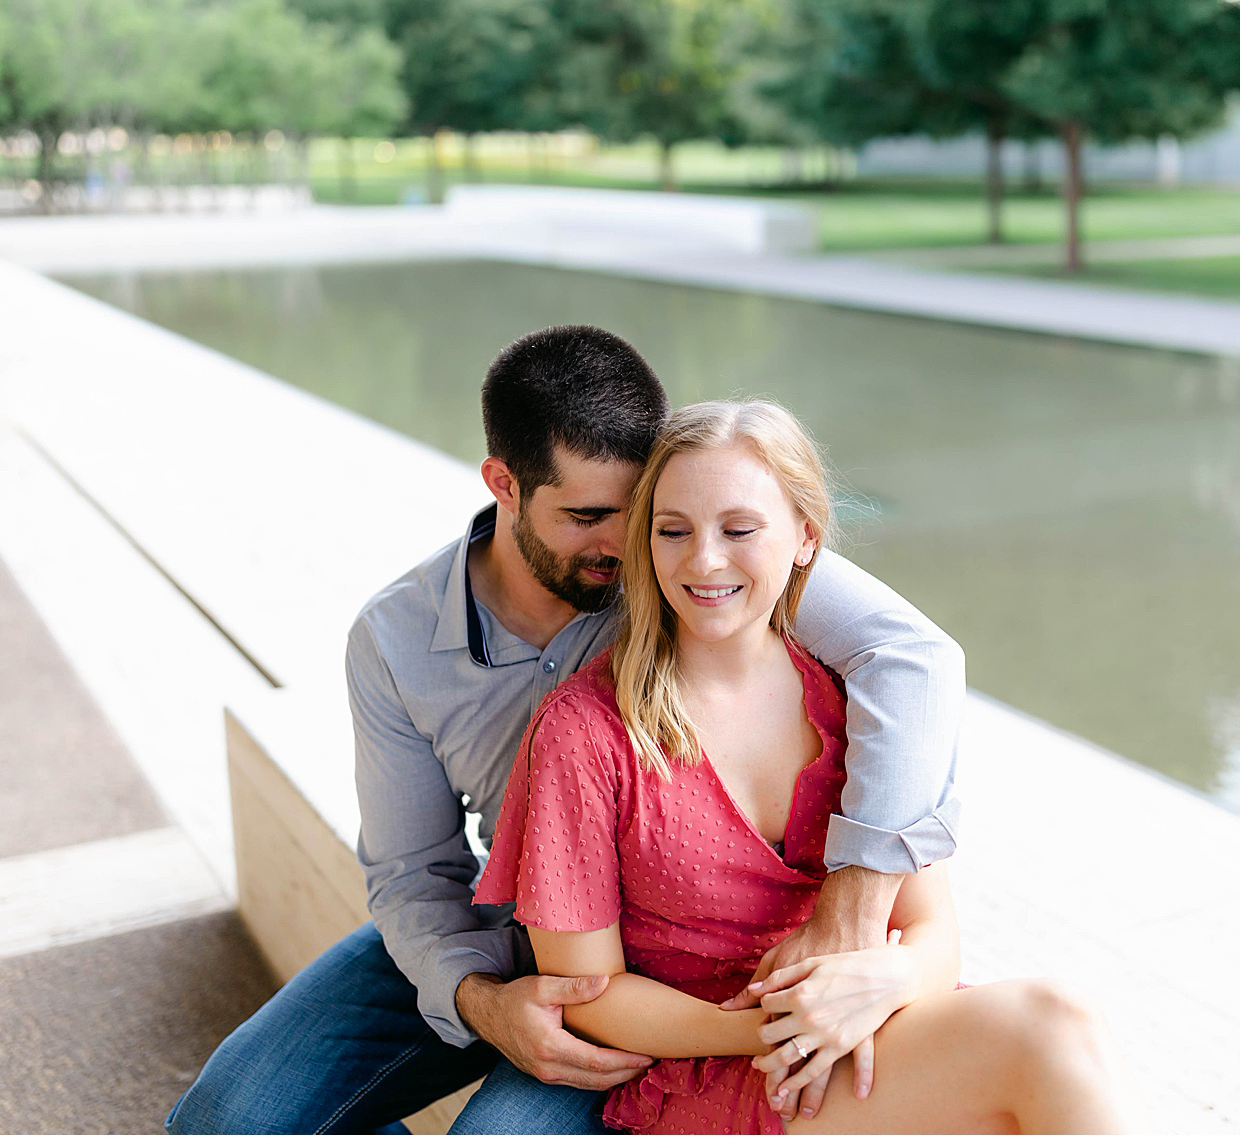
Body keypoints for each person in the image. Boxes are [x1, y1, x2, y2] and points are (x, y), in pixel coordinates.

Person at [168, 326, 964, 1134]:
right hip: (497, 937)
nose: (626, 547)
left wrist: (853, 911)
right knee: (220, 1121)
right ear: (504, 484)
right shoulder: (396, 639)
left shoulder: (693, 558)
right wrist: (484, 1003)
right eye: (586, 516)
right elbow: (413, 875)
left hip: (649, 960)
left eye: (639, 514)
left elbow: (913, 658)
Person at [476, 399, 1144, 1133]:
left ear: (806, 539)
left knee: (1058, 1040)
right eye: (674, 531)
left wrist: (880, 983)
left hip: (872, 1025)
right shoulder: (586, 729)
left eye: (739, 529)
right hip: (714, 1065)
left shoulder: (862, 701)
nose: (704, 559)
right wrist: (787, 1025)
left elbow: (933, 931)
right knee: (1050, 1029)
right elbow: (587, 990)